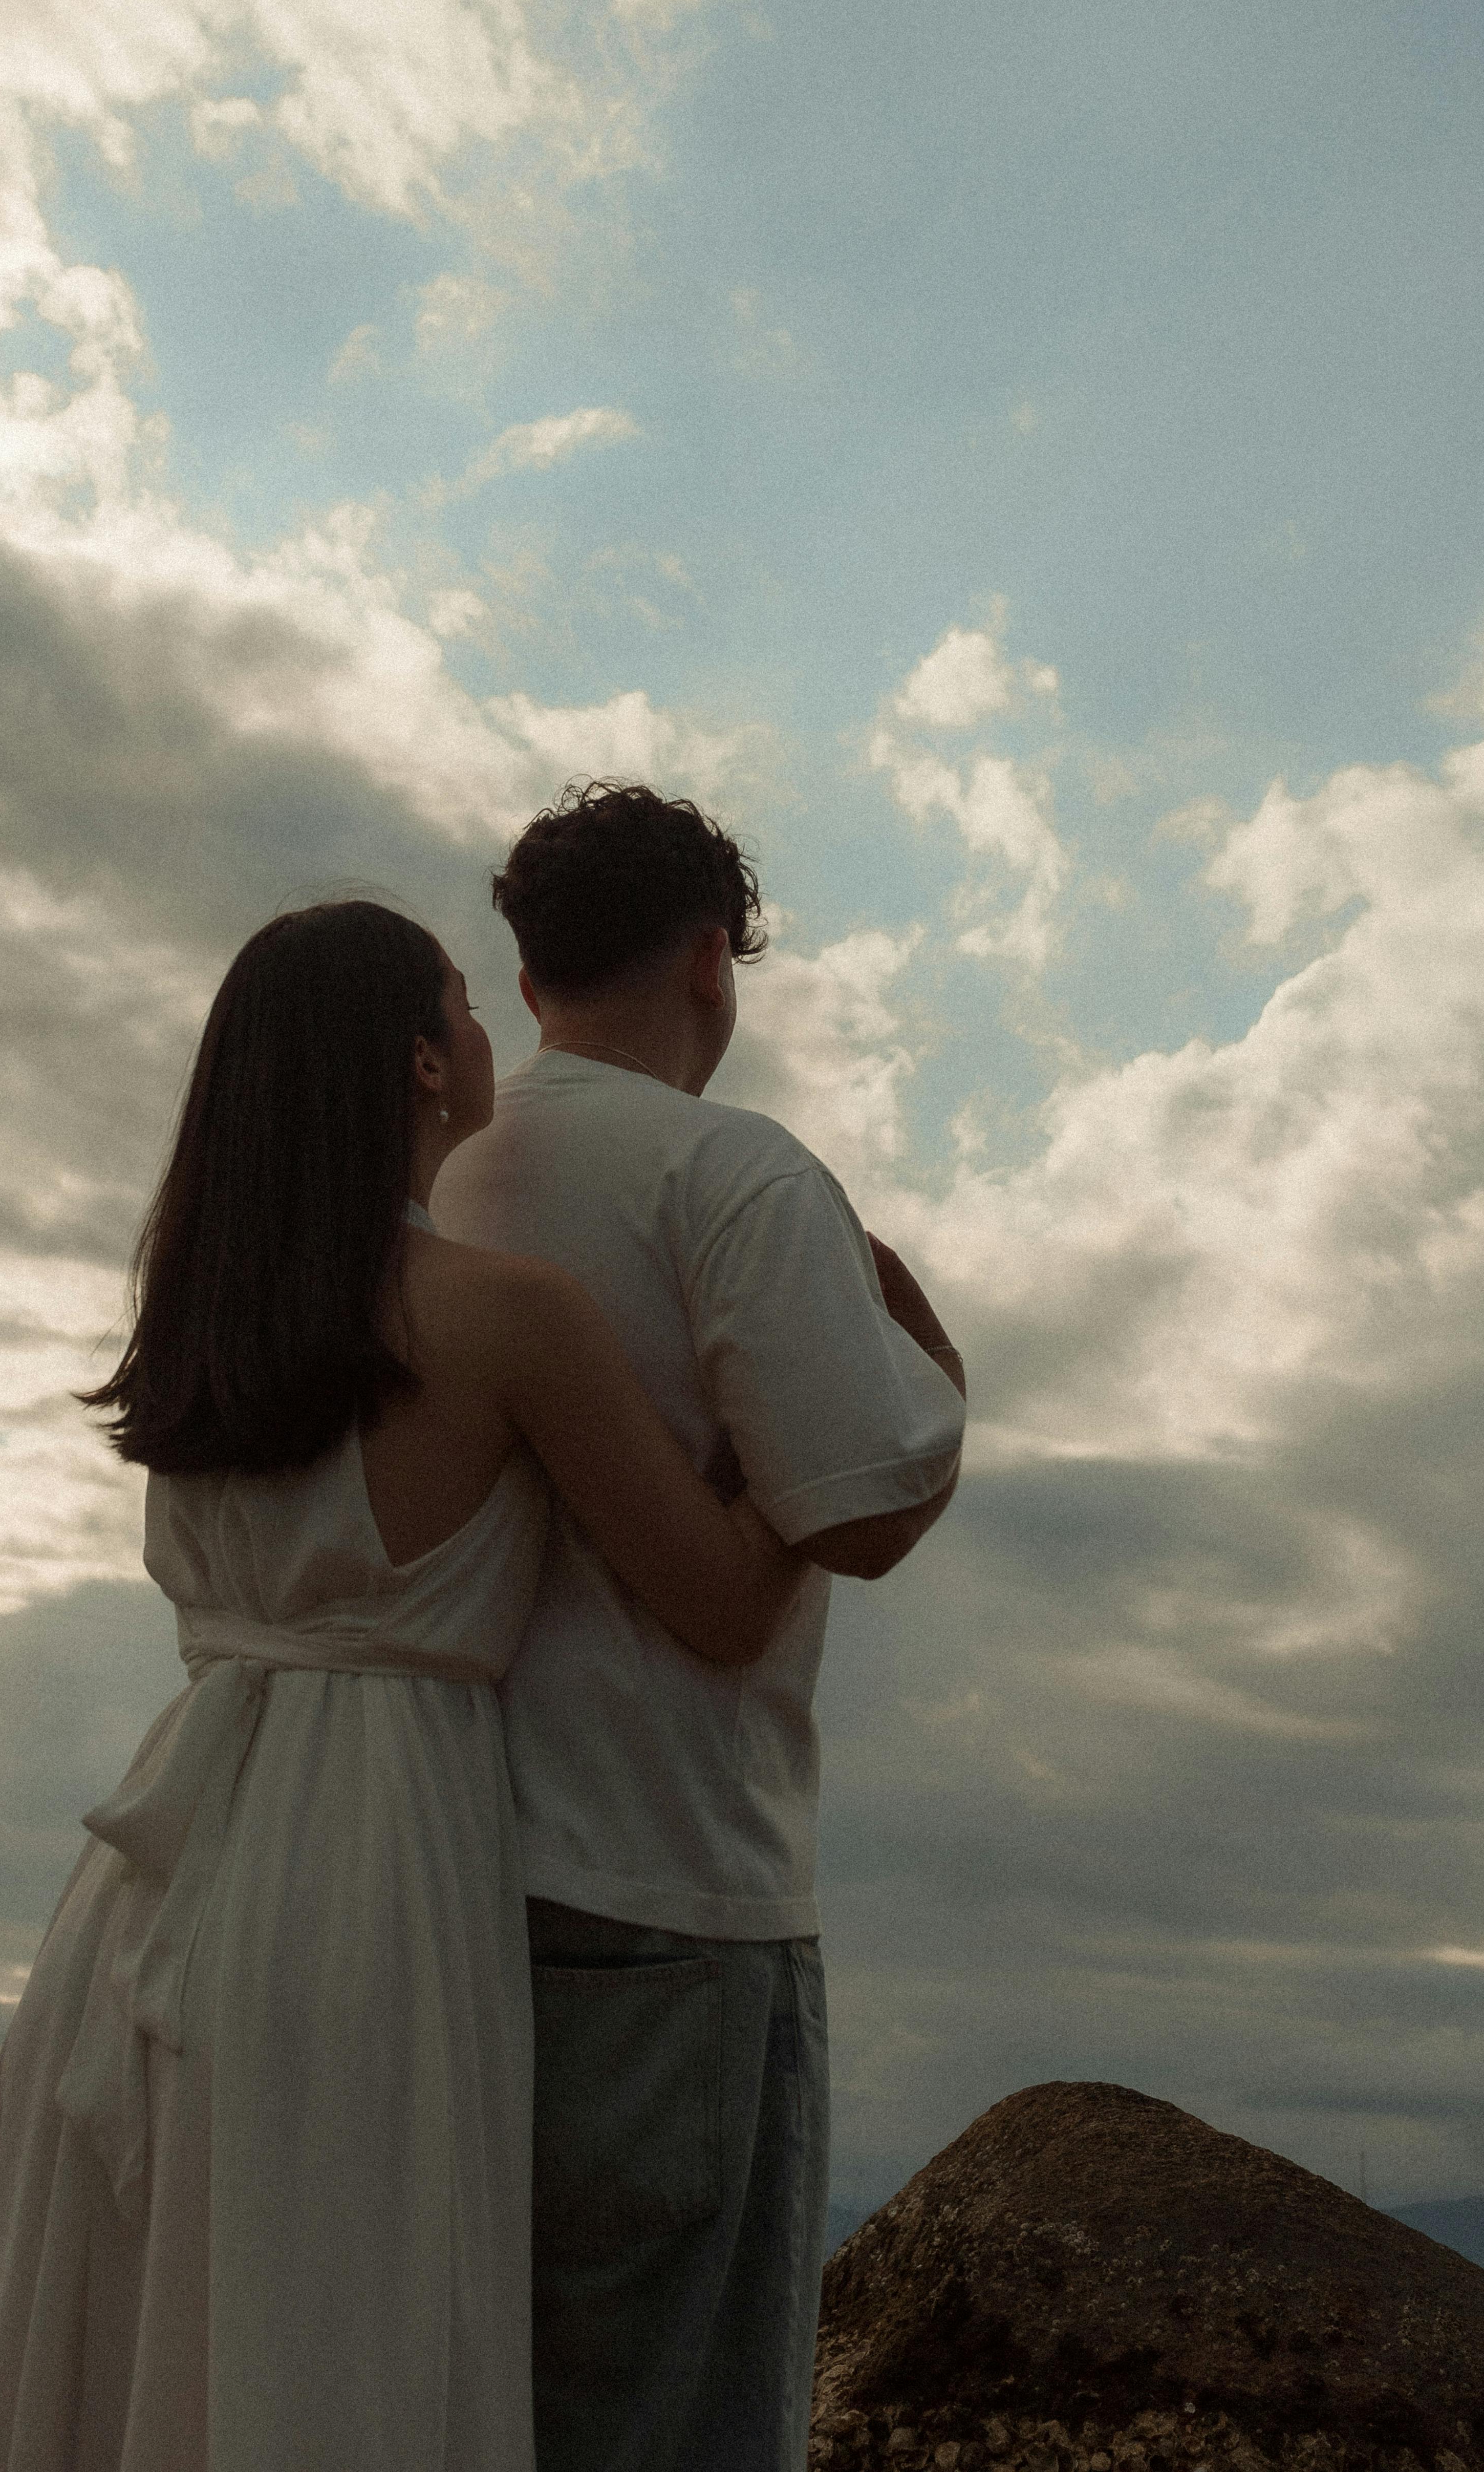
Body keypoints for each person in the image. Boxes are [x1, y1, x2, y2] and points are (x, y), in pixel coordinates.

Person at [0, 897, 805, 2472]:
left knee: (146, 2362)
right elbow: (726, 1604)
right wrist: (823, 1443)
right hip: (367, 1887)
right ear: (420, 1063)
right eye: (464, 1006)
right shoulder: (508, 1316)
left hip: (147, 1885)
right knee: (338, 2355)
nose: (486, 1035)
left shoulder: (202, 1336)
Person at [432, 783, 966, 2472]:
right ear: (709, 962)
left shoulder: (433, 1177)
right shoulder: (734, 1172)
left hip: (429, 1871)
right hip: (674, 1881)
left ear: (529, 980)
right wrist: (940, 1375)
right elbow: (861, 1512)